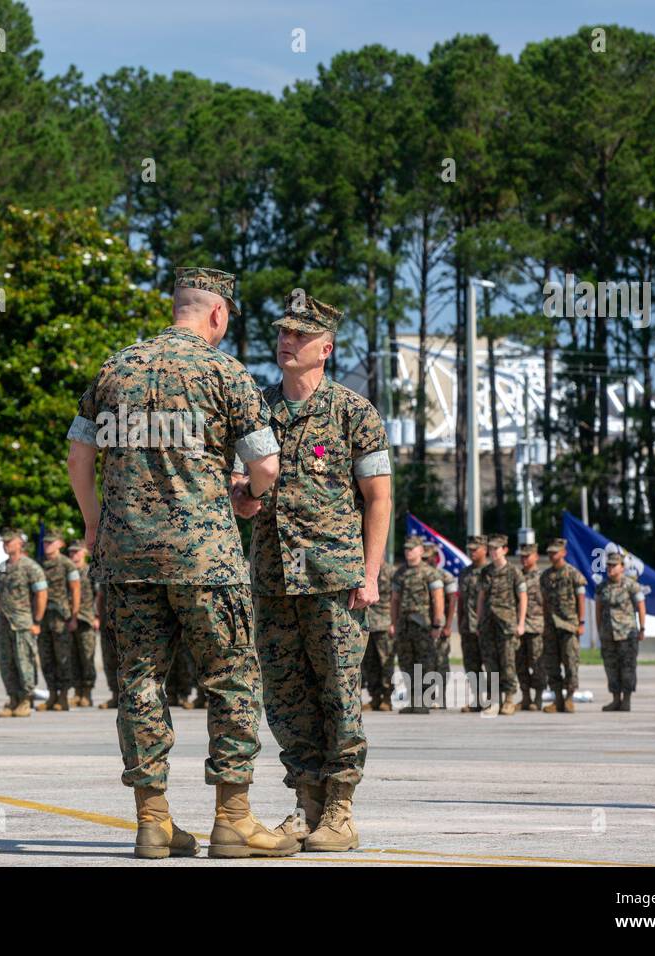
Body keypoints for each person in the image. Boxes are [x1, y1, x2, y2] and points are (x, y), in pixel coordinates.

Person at [67, 265, 294, 859]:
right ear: (217, 314)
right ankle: (233, 819)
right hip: (205, 559)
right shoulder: (225, 372)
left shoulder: (115, 368)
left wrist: (96, 522)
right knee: (231, 681)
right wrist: (248, 494)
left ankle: (153, 822)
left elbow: (78, 456)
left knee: (140, 682)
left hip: (127, 557)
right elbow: (266, 466)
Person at [231, 291, 392, 852]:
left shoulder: (355, 413)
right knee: (285, 694)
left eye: (299, 336)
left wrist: (370, 574)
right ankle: (306, 805)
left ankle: (341, 809)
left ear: (325, 348)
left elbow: (378, 498)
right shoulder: (256, 409)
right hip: (273, 579)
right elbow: (237, 485)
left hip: (334, 580)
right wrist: (241, 497)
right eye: (282, 334)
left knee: (339, 695)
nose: (286, 342)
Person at [0, 528, 48, 718]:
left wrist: (37, 621)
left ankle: (25, 700)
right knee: (6, 662)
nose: (6, 545)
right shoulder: (1, 567)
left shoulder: (31, 567)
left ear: (20, 544)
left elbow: (41, 595)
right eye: (4, 542)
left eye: (10, 541)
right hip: (4, 623)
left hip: (23, 623)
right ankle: (13, 698)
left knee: (24, 662)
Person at [391, 536, 444, 715]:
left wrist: (437, 624)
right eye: (406, 549)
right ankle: (413, 701)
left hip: (423, 626)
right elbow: (395, 600)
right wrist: (393, 623)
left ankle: (424, 701)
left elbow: (438, 599)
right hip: (404, 626)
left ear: (421, 551)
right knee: (406, 663)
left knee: (425, 663)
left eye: (412, 549)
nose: (408, 552)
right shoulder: (400, 573)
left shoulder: (430, 573)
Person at [475, 533, 527, 716]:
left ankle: (509, 699)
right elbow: (481, 598)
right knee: (490, 664)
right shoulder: (486, 572)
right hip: (488, 625)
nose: (493, 552)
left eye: (496, 549)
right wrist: (479, 622)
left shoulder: (514, 572)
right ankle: (493, 700)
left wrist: (521, 623)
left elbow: (522, 598)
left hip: (506, 625)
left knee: (508, 663)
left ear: (505, 550)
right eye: (490, 549)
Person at [539, 538, 587, 714]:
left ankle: (569, 699)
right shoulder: (545, 576)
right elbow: (544, 601)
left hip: (568, 625)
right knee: (551, 663)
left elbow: (581, 600)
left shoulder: (573, 574)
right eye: (550, 552)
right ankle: (557, 699)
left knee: (570, 662)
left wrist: (581, 622)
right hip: (551, 626)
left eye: (555, 552)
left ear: (564, 553)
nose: (552, 555)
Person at [595, 551, 646, 711]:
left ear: (622, 567)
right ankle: (615, 699)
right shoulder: (601, 587)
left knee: (628, 667)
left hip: (627, 634)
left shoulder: (631, 585)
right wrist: (599, 631)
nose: (610, 568)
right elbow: (598, 609)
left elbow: (641, 606)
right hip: (608, 635)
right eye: (608, 565)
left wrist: (642, 628)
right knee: (611, 668)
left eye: (614, 565)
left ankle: (627, 700)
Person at [37, 532, 82, 712]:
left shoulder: (67, 564)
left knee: (63, 657)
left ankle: (63, 696)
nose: (47, 545)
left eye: (51, 542)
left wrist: (74, 616)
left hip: (61, 618)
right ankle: (52, 695)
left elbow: (76, 590)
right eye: (45, 542)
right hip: (43, 618)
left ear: (60, 544)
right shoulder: (39, 564)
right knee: (46, 658)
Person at [424, 542, 458, 709]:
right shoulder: (420, 575)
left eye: (429, 558)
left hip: (440, 626)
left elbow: (452, 600)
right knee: (425, 663)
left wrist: (448, 625)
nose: (426, 561)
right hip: (423, 626)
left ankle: (441, 696)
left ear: (435, 558)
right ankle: (428, 697)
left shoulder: (445, 576)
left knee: (441, 662)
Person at [457, 535, 488, 712]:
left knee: (491, 665)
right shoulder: (465, 573)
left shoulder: (490, 571)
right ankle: (477, 699)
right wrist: (460, 621)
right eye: (470, 549)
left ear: (485, 549)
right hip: (467, 626)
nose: (472, 552)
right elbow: (461, 600)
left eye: (476, 549)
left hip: (485, 628)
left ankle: (493, 699)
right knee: (471, 665)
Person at [68, 541, 100, 707]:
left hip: (87, 618)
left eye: (76, 552)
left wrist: (96, 616)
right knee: (73, 657)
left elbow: (98, 595)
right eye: (71, 552)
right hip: (70, 620)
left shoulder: (90, 571)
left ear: (83, 553)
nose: (73, 555)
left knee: (87, 657)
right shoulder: (69, 571)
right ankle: (77, 692)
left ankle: (87, 693)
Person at [361, 561, 395, 712]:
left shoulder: (391, 572)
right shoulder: (362, 567)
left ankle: (387, 698)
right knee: (369, 664)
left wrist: (394, 622)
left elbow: (396, 598)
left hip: (384, 622)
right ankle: (375, 697)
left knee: (385, 663)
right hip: (367, 622)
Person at [516, 542, 546, 711]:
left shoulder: (542, 577)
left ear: (536, 556)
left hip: (536, 626)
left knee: (537, 663)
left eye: (527, 556)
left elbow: (547, 602)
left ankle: (538, 697)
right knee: (519, 663)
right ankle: (525, 697)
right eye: (522, 556)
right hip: (519, 627)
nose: (524, 559)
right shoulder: (516, 575)